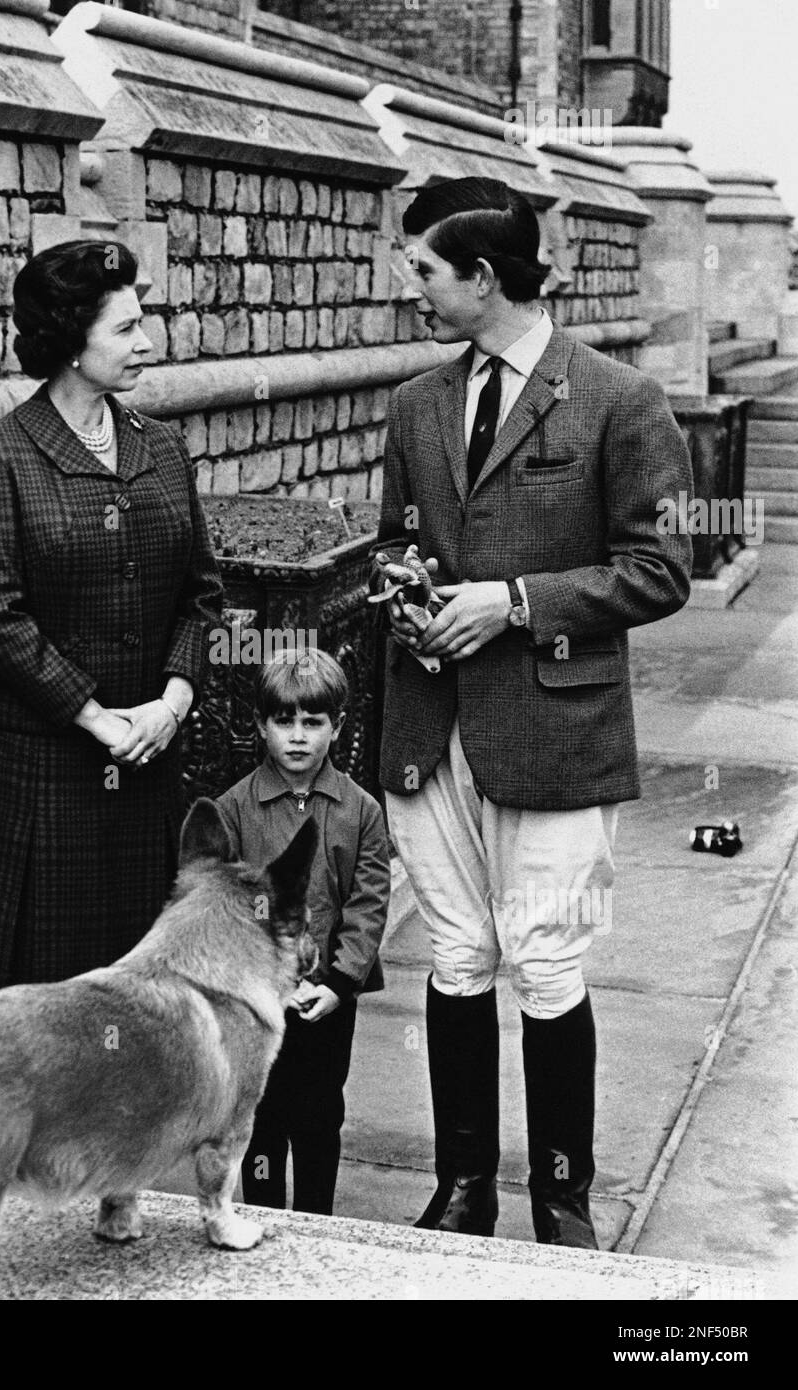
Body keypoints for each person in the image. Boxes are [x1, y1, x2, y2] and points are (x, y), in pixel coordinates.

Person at [373, 177, 693, 1247]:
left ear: (482, 277)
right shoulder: (416, 405)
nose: (410, 288)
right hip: (431, 727)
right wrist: (407, 598)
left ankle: (562, 1201)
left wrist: (510, 604)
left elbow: (660, 569)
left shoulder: (618, 399)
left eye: (424, 270)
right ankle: (463, 1187)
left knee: (546, 962)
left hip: (554, 727)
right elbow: (398, 542)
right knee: (456, 956)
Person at [0, 239, 223, 990]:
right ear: (71, 342)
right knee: (49, 1003)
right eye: (125, 328)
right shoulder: (2, 454)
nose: (147, 343)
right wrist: (99, 720)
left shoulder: (161, 445)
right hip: (47, 770)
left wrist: (171, 705)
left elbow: (202, 595)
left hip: (148, 763)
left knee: (146, 996)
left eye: (143, 322)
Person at [215, 650, 390, 1216]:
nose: (297, 736)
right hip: (258, 1000)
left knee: (319, 1114)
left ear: (337, 727)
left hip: (328, 998)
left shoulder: (362, 811)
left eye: (312, 722)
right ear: (260, 725)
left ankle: (318, 1222)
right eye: (283, 721)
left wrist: (339, 982)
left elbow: (368, 903)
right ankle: (261, 1218)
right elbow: (226, 905)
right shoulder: (233, 810)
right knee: (259, 1114)